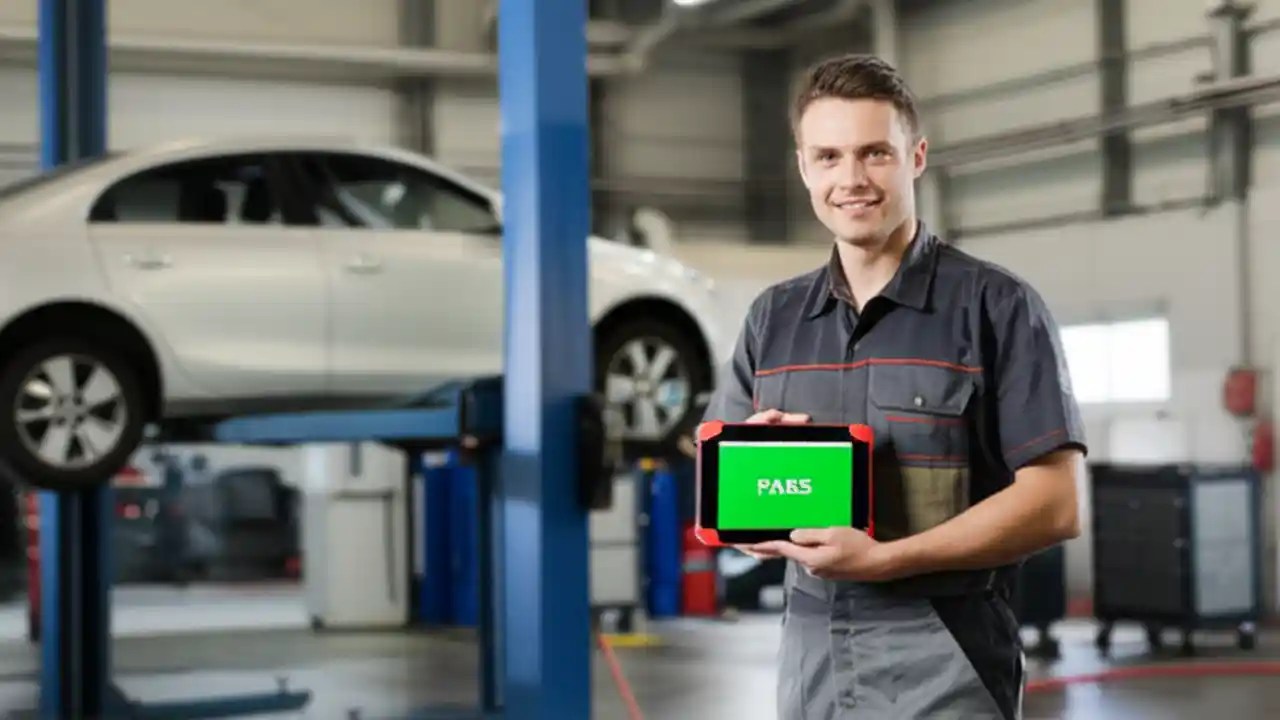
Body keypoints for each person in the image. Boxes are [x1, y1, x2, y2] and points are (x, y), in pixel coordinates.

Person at [701, 53, 1087, 720]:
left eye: (874, 153)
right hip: (809, 658)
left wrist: (887, 560)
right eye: (827, 157)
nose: (850, 179)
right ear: (802, 167)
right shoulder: (774, 317)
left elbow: (1055, 505)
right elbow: (719, 493)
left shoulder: (995, 306)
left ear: (916, 157)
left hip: (946, 656)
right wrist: (748, 493)